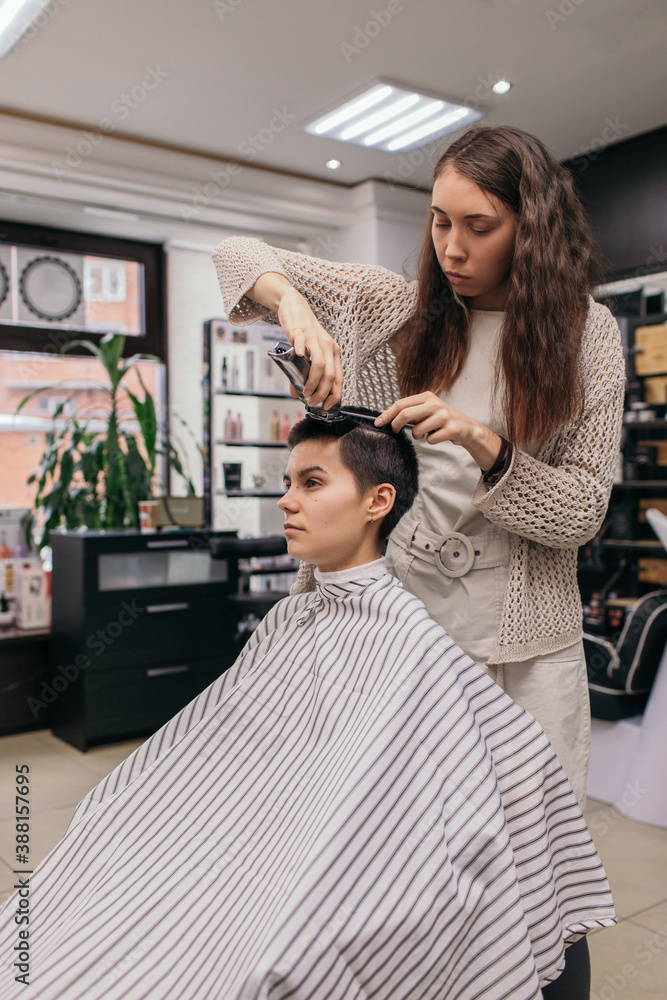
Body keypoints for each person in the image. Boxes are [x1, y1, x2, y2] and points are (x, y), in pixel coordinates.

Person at [0, 411, 614, 1000]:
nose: (286, 501)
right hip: (247, 834)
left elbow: (415, 797)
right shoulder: (295, 614)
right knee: (109, 823)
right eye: (287, 483)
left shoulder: (407, 640)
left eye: (312, 483)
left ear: (378, 501)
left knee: (267, 954)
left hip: (308, 860)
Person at [212, 125, 626, 807]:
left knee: (528, 858)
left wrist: (482, 443)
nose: (451, 247)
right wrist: (292, 307)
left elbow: (580, 514)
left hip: (524, 650)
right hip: (395, 629)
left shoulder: (588, 335)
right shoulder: (396, 308)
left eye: (478, 226)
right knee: (396, 854)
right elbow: (236, 253)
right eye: (438, 221)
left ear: (532, 230)